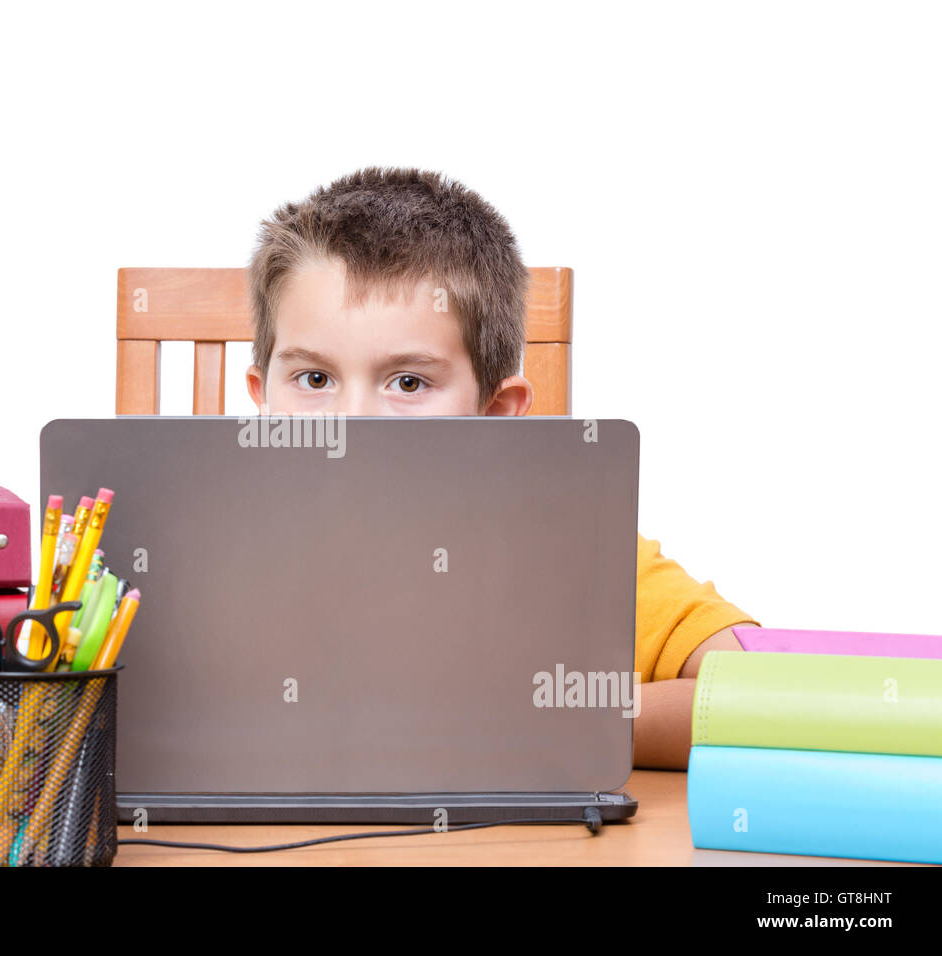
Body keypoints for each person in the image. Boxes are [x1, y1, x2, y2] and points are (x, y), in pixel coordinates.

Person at [244, 167, 758, 769]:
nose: (353, 422)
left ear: (496, 414)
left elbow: (757, 692)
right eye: (314, 378)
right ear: (262, 397)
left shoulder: (575, 549)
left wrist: (530, 726)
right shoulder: (201, 546)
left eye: (408, 381)